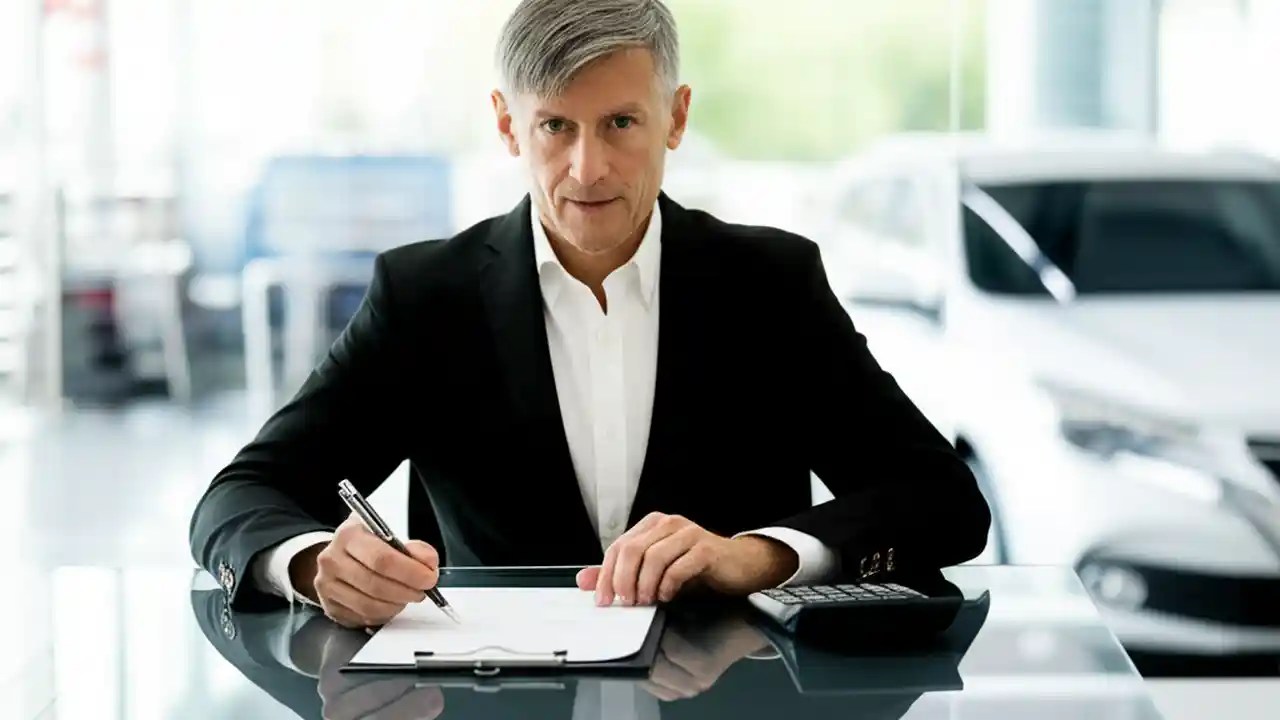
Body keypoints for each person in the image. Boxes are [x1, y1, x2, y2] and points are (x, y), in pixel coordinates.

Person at [189, 0, 990, 629]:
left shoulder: (769, 282)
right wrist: (310, 561)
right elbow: (242, 496)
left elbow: (942, 501)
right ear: (509, 124)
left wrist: (759, 556)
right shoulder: (425, 296)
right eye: (555, 126)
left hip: (731, 698)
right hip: (490, 696)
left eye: (620, 123)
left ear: (674, 117)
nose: (587, 168)